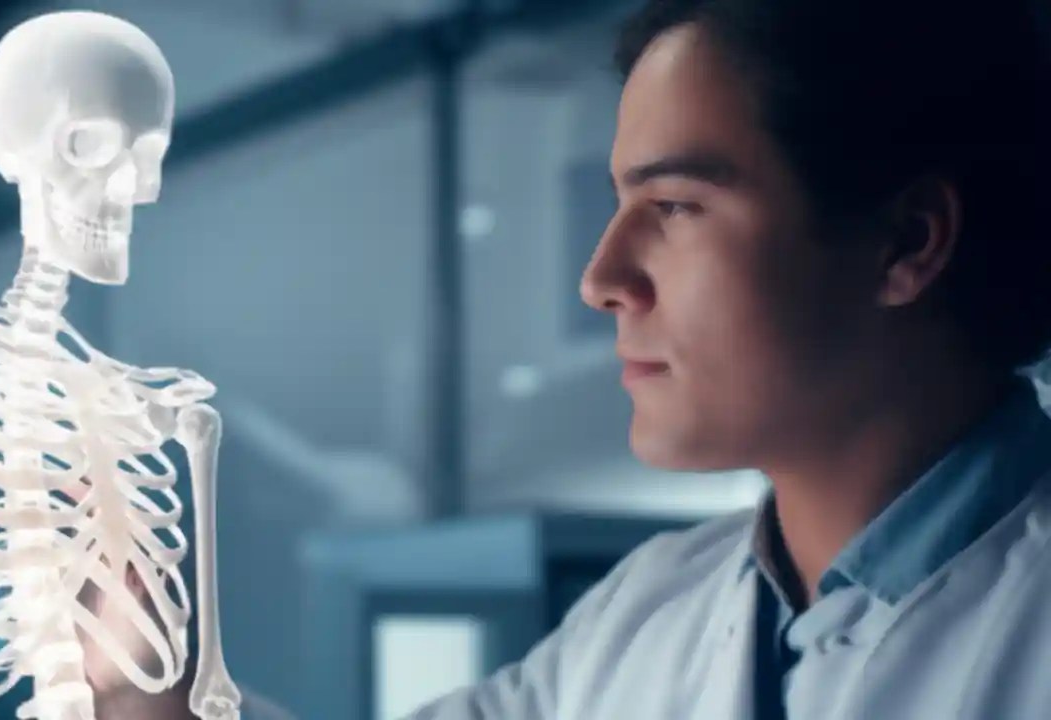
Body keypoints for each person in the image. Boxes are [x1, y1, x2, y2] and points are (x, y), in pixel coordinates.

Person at [86, 0, 1051, 717]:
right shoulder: (646, 611)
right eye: (619, 204)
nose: (600, 277)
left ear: (906, 242)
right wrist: (153, 693)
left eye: (675, 207)